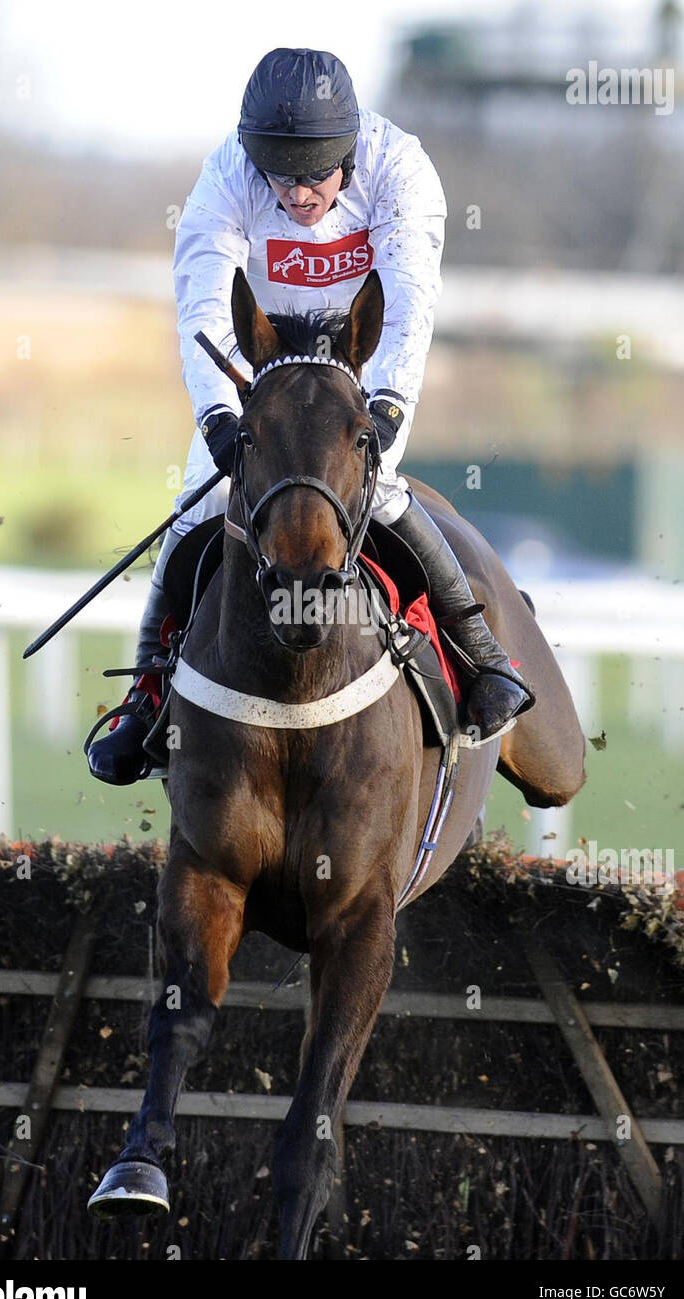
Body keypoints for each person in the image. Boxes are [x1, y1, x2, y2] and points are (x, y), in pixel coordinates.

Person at [87, 48, 532, 785]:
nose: (296, 196)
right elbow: (203, 311)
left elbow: (409, 307)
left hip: (354, 371)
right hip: (261, 372)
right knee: (197, 509)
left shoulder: (403, 171)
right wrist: (218, 421)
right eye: (281, 177)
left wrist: (386, 407)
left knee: (381, 498)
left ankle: (484, 658)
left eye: (315, 177)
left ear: (349, 154)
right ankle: (145, 694)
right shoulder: (225, 175)